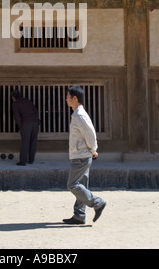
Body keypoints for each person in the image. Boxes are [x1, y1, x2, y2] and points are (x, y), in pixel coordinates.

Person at [63, 85, 106, 225]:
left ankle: (97, 202)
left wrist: (93, 150)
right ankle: (79, 215)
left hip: (81, 156)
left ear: (75, 98)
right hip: (81, 154)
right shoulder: (77, 114)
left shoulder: (80, 115)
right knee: (81, 185)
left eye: (68, 97)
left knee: (73, 185)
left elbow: (90, 134)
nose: (66, 99)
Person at [11, 89, 40, 166]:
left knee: (25, 142)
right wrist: (37, 121)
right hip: (35, 123)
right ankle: (31, 160)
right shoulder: (28, 101)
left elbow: (17, 116)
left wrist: (20, 126)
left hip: (26, 124)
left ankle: (22, 161)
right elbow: (35, 111)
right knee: (33, 142)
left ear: (13, 97)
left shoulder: (15, 103)